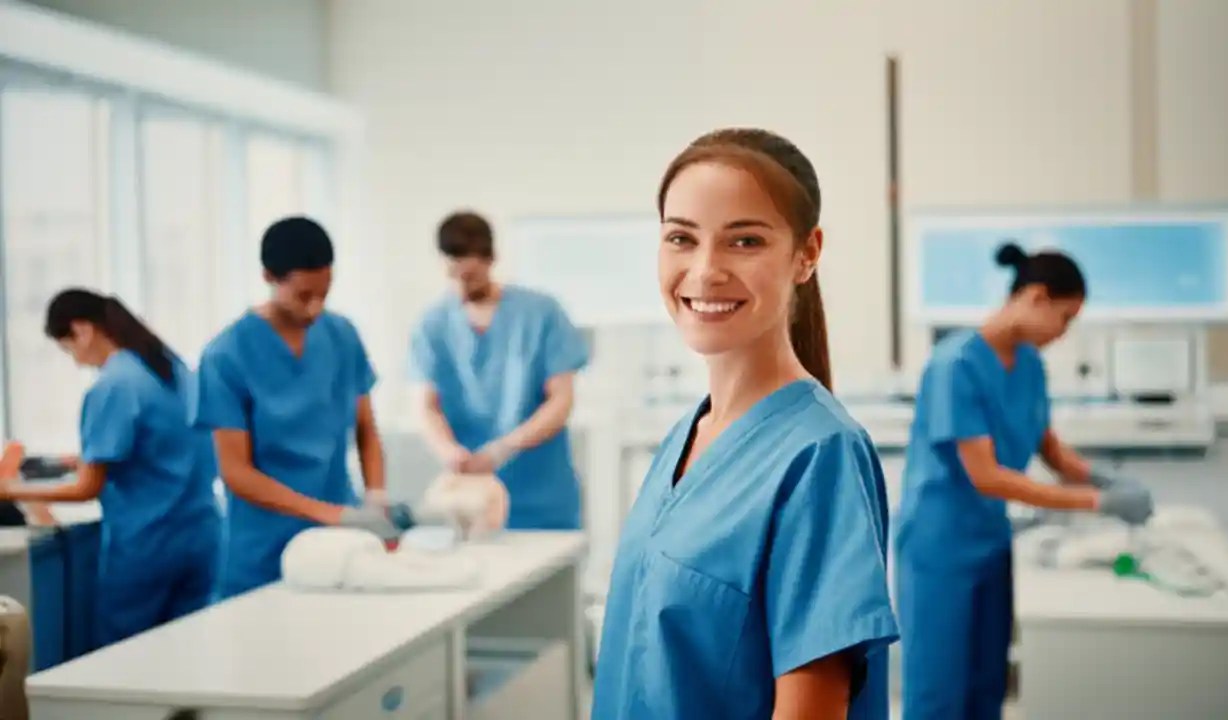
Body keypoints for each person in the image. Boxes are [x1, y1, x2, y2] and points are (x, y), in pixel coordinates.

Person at [591, 128, 899, 720]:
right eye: (681, 237)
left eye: (745, 241)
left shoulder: (819, 456)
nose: (705, 271)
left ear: (807, 254)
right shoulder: (689, 436)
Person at [894, 243, 1155, 719]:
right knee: (939, 688)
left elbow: (1050, 450)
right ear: (1035, 297)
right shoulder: (956, 364)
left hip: (990, 542)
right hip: (939, 546)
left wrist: (1105, 478)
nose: (1064, 332)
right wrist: (1098, 502)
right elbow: (986, 475)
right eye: (1066, 317)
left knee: (987, 682)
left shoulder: (1031, 364)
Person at [0, 289, 220, 646]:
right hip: (201, 538)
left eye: (68, 348)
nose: (75, 360)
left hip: (147, 547)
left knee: (125, 665)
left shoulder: (113, 384)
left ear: (82, 330)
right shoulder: (171, 368)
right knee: (187, 654)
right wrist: (85, 457)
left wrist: (11, 489)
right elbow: (166, 446)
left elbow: (86, 487)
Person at [195, 216, 400, 598]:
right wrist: (331, 514)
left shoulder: (341, 335)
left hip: (339, 547)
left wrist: (376, 497)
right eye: (303, 295)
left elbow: (366, 430)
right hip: (262, 550)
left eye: (324, 292)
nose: (315, 308)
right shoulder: (227, 355)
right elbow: (236, 472)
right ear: (268, 277)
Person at [410, 211, 588, 530]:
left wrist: (503, 449)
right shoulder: (433, 324)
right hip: (471, 502)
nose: (463, 287)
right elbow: (426, 406)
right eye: (455, 276)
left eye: (471, 277)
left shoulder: (540, 313)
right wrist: (449, 451)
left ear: (492, 260)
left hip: (541, 497)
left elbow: (561, 401)